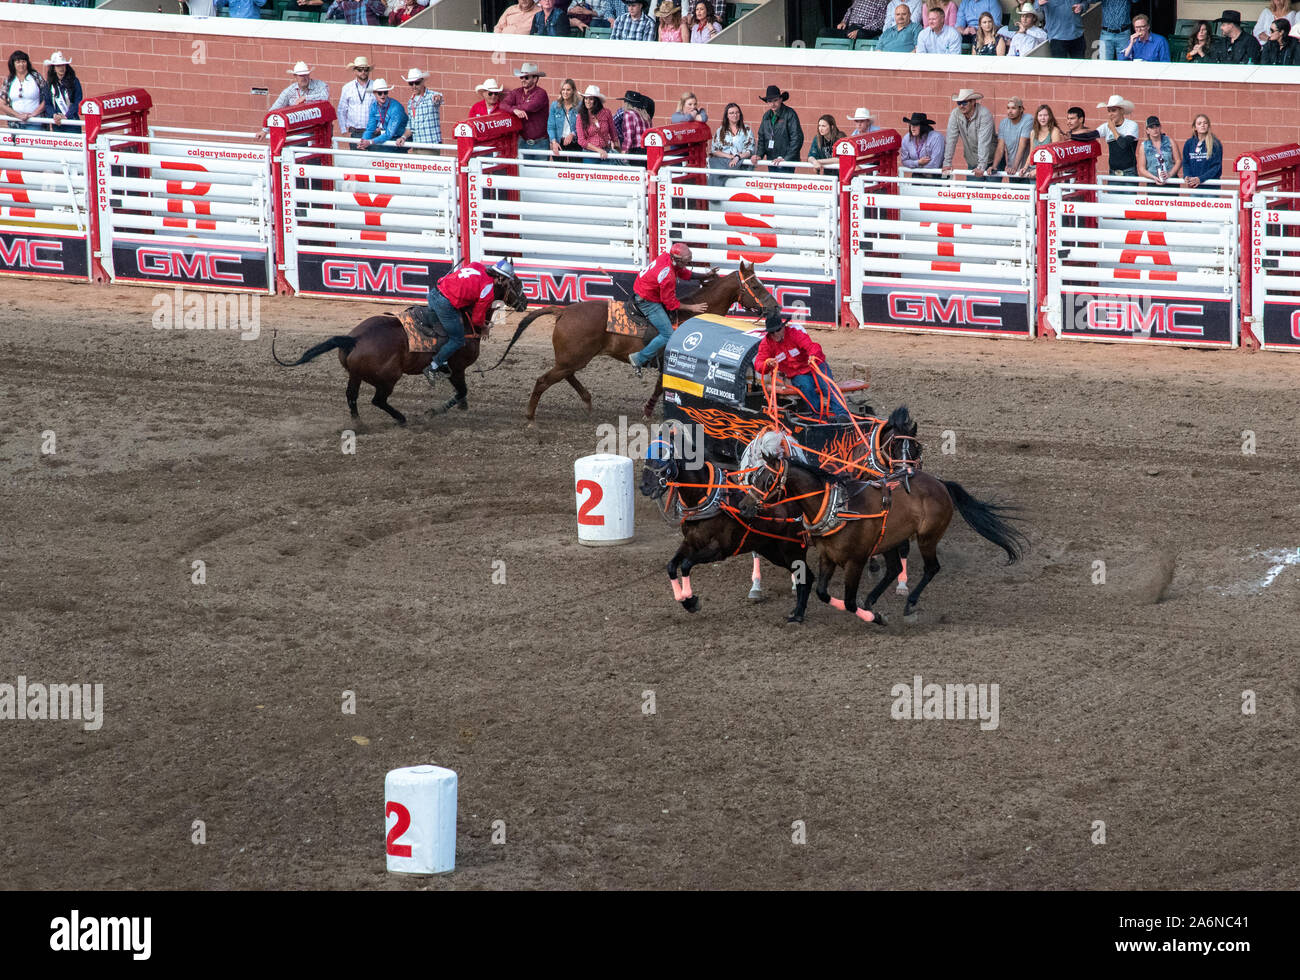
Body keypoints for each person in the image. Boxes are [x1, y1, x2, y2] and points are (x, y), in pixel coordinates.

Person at [423, 259, 520, 385]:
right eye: (508, 280)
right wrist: (485, 327)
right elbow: (477, 319)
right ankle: (433, 366)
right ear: (501, 277)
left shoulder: (477, 265)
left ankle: (444, 361)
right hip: (444, 304)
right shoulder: (488, 290)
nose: (508, 283)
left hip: (433, 293)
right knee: (457, 339)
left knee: (444, 331)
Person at [628, 243, 707, 376]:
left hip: (643, 290)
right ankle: (639, 358)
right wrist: (692, 308)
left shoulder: (666, 257)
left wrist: (704, 276)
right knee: (668, 334)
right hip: (647, 302)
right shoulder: (668, 276)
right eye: (687, 261)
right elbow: (670, 303)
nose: (688, 263)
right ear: (679, 260)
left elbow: (682, 272)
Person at [756, 311, 850, 420]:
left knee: (826, 385)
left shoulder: (794, 334)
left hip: (816, 365)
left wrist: (812, 355)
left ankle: (842, 414)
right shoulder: (766, 344)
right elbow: (759, 365)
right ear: (769, 333)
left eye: (778, 330)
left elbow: (812, 346)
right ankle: (819, 417)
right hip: (797, 373)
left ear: (783, 327)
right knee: (806, 386)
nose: (775, 334)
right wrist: (767, 364)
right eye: (772, 332)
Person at [941, 88, 995, 178]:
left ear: (973, 102)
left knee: (992, 191)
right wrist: (947, 162)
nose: (961, 106)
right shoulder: (955, 114)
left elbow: (983, 142)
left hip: (992, 161)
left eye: (965, 102)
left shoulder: (984, 114)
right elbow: (951, 139)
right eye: (959, 103)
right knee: (972, 191)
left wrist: (981, 166)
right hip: (972, 161)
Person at [752, 84, 803, 172]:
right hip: (771, 159)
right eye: (770, 101)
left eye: (775, 100)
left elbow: (797, 138)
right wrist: (759, 155)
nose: (773, 104)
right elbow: (762, 138)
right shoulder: (766, 116)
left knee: (784, 184)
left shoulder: (790, 114)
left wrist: (786, 158)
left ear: (781, 99)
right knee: (774, 184)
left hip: (786, 161)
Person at [503, 63, 550, 155]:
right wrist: (514, 110)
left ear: (535, 79)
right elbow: (503, 104)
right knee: (522, 169)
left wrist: (513, 108)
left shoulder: (541, 93)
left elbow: (529, 107)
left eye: (526, 77)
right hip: (522, 141)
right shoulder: (516, 92)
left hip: (540, 143)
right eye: (521, 77)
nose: (523, 80)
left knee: (540, 169)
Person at [398, 69, 443, 153]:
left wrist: (438, 98)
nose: (414, 86)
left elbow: (438, 99)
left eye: (417, 83)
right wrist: (403, 137)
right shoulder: (410, 102)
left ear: (422, 81)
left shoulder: (431, 96)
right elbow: (410, 125)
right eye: (411, 83)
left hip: (430, 145)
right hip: (416, 145)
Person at [709, 102, 754, 185]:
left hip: (741, 165)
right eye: (731, 113)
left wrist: (737, 157)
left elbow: (750, 150)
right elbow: (714, 150)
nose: (735, 115)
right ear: (727, 115)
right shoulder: (720, 131)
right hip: (723, 165)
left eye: (737, 112)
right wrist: (729, 156)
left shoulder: (747, 130)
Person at [358, 79, 408, 154]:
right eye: (380, 93)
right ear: (374, 93)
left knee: (381, 152)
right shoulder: (374, 107)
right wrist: (363, 141)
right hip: (391, 137)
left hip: (403, 138)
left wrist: (370, 142)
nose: (383, 95)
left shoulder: (396, 107)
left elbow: (389, 133)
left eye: (385, 92)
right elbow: (370, 129)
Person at [1095, 93, 1139, 177]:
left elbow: (1124, 144)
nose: (1110, 114)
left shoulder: (1132, 125)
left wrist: (1113, 129)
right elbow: (1092, 134)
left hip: (1129, 172)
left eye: (1114, 110)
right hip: (1113, 172)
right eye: (1109, 111)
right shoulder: (1105, 126)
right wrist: (1073, 135)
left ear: (1122, 111)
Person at [1, 51, 47, 130]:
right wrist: (17, 115)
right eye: (18, 62)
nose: (21, 64)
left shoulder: (36, 77)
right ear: (13, 64)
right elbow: (1, 103)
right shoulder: (9, 80)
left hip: (35, 123)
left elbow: (47, 98)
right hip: (16, 124)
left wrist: (33, 114)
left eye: (23, 61)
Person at [992, 97, 1033, 181]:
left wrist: (1015, 167)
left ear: (1021, 109)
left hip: (1026, 169)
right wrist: (994, 166)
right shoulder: (1003, 123)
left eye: (1013, 108)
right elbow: (1000, 148)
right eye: (1008, 108)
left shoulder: (1028, 119)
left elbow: (1022, 145)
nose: (1010, 111)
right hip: (1012, 170)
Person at [575, 85, 620, 159]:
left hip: (606, 152)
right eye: (586, 98)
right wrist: (599, 150)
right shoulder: (581, 116)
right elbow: (581, 141)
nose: (587, 101)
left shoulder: (606, 113)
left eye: (591, 99)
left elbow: (613, 132)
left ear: (596, 101)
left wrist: (616, 144)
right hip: (589, 154)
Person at [1135, 115, 1181, 187]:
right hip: (1153, 182)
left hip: (1171, 181)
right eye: (1151, 127)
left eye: (1157, 126)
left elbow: (1178, 161)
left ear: (1160, 127)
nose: (1155, 129)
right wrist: (1153, 177)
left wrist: (1169, 174)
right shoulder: (1144, 146)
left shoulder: (1170, 141)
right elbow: (1141, 168)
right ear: (1147, 130)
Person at [1016, 103, 1061, 175]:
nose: (1042, 118)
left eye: (1045, 115)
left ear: (1050, 117)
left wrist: (1038, 170)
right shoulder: (1033, 133)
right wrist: (1025, 168)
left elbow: (1054, 155)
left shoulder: (1054, 131)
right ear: (1037, 117)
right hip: (1033, 170)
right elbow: (1031, 153)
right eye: (1040, 115)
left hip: (1048, 171)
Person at [338, 57, 375, 142]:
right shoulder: (347, 88)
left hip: (372, 132)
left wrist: (379, 127)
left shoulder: (375, 86)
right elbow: (341, 110)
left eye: (366, 70)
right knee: (356, 155)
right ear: (354, 71)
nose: (363, 72)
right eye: (360, 70)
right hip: (355, 132)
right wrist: (344, 130)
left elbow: (383, 107)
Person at [43, 52, 81, 134]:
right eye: (58, 66)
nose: (61, 68)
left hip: (72, 123)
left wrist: (67, 116)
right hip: (57, 124)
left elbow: (77, 101)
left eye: (63, 65)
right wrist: (54, 115)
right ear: (53, 68)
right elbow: (47, 103)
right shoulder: (49, 84)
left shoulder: (74, 81)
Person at [1182, 114, 1222, 188]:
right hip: (1195, 186)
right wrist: (1187, 175)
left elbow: (1216, 167)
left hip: (1210, 186)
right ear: (1195, 127)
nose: (1202, 125)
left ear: (1208, 126)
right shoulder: (1189, 143)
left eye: (1205, 123)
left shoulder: (1215, 143)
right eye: (1199, 123)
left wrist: (1201, 179)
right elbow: (1186, 163)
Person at [613, 90, 654, 160]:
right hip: (647, 149)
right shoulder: (645, 115)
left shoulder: (629, 114)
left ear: (627, 103)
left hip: (636, 150)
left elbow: (629, 137)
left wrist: (624, 152)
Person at [900, 110, 944, 175]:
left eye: (916, 124)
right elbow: (904, 161)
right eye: (911, 124)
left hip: (933, 176)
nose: (912, 127)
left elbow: (935, 163)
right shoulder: (906, 139)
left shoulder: (936, 137)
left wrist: (914, 166)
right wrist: (918, 163)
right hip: (916, 175)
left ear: (923, 126)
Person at [548, 79, 581, 160]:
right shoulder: (555, 105)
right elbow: (550, 126)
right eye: (563, 89)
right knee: (560, 170)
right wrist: (554, 142)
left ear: (573, 91)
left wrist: (573, 134)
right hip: (559, 142)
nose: (565, 92)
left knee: (575, 170)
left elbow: (583, 125)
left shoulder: (579, 105)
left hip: (575, 142)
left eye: (568, 90)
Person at [825, 0, 891, 40]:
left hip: (866, 30)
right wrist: (843, 22)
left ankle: (850, 36)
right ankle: (849, 35)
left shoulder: (883, 2)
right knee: (824, 32)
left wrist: (861, 30)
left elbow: (880, 21)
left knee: (861, 34)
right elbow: (850, 10)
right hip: (851, 28)